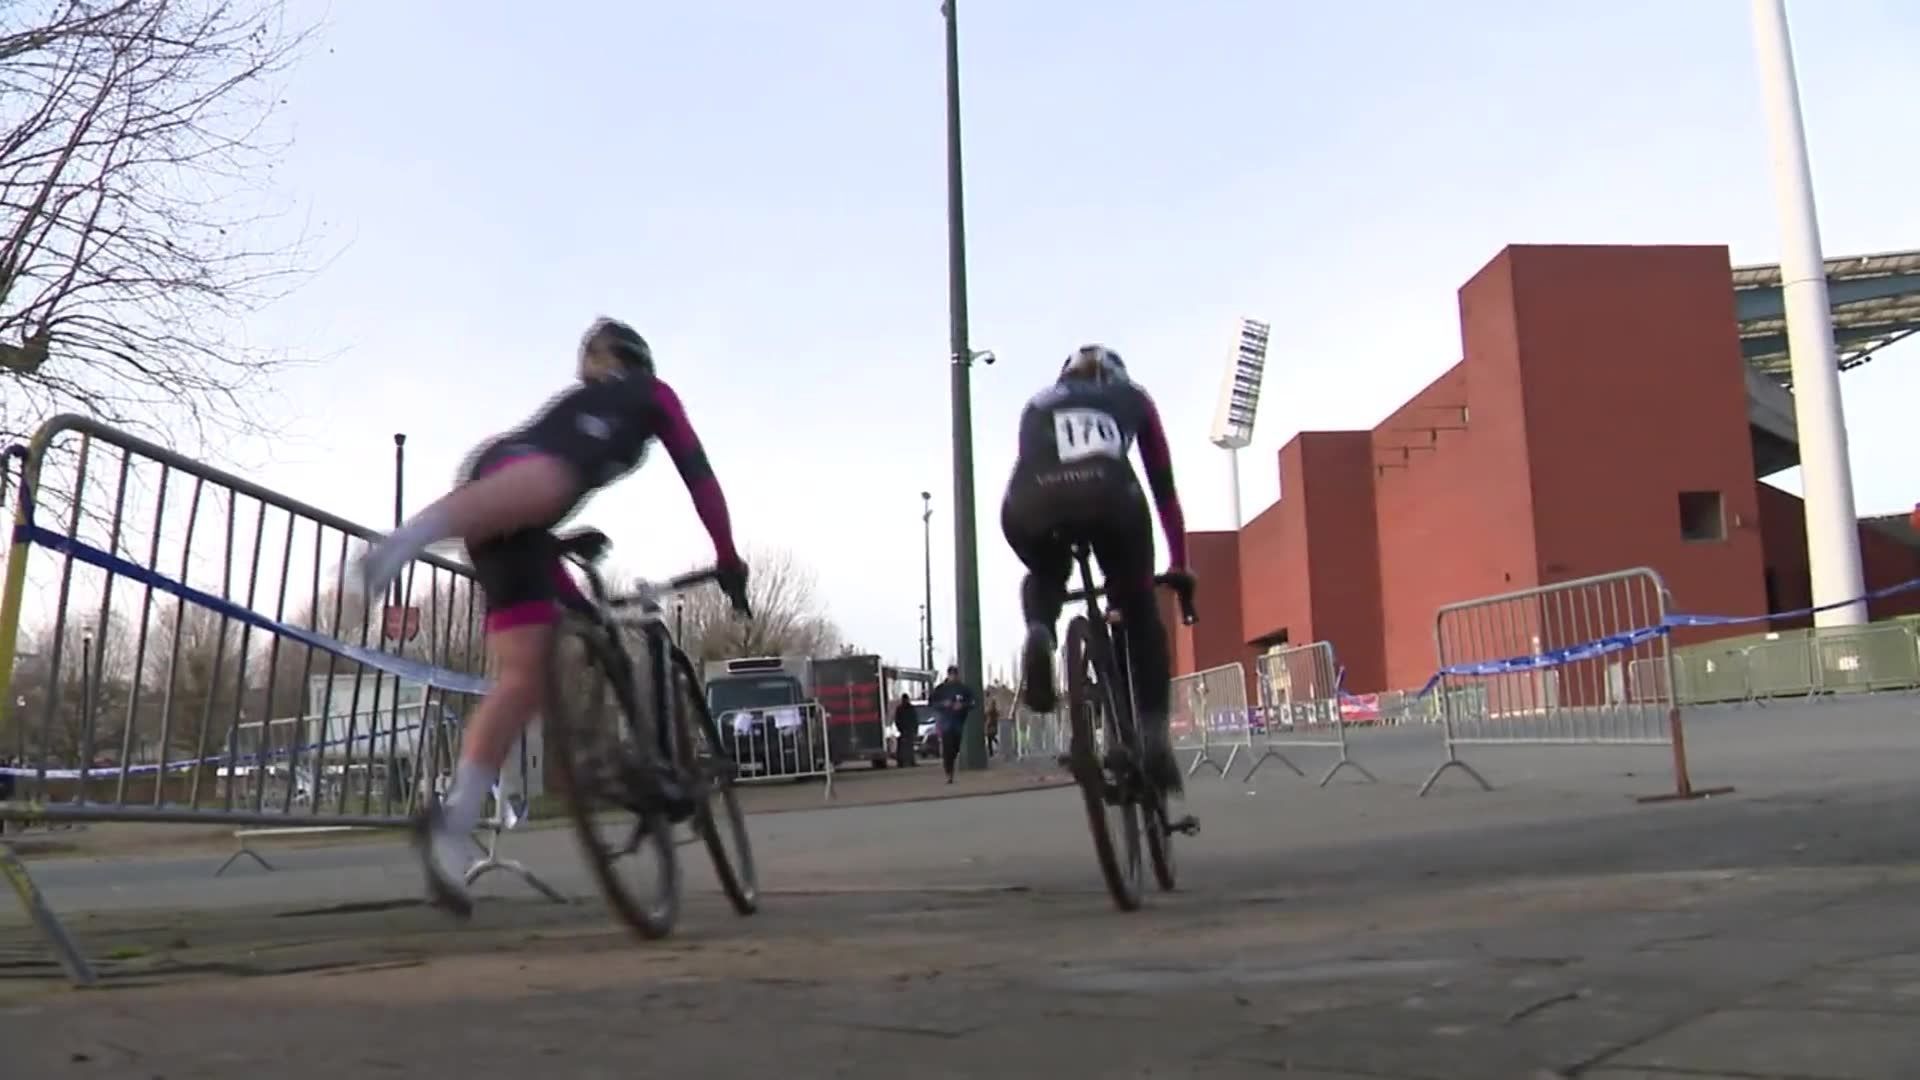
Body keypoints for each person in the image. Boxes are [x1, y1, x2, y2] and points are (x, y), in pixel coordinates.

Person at [356, 317, 750, 918]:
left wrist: (570, 600)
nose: (584, 364)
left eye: (591, 354)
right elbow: (699, 475)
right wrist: (726, 556)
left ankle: (451, 831)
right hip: (525, 480)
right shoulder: (648, 394)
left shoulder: (602, 394)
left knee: (523, 680)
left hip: (510, 512)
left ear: (610, 356)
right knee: (551, 481)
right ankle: (405, 541)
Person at [1000, 344, 1193, 798]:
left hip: (1027, 504)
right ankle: (1151, 740)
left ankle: (1040, 630)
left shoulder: (1039, 400)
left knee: (1047, 571)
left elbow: (1035, 459)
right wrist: (1180, 565)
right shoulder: (1135, 399)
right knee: (1139, 611)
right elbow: (1163, 488)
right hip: (1110, 498)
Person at [929, 665, 977, 784]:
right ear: (948, 675)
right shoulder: (941, 689)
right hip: (945, 722)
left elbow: (973, 702)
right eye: (951, 675)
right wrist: (943, 704)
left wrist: (963, 706)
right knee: (947, 748)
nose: (953, 677)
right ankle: (948, 773)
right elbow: (931, 702)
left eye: (955, 675)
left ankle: (951, 764)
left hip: (958, 723)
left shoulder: (963, 689)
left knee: (955, 747)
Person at [892, 693, 919, 767]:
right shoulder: (901, 709)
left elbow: (914, 719)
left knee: (909, 746)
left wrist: (915, 729)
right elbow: (898, 720)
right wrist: (900, 728)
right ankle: (902, 762)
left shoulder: (909, 708)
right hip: (905, 729)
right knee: (903, 747)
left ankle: (910, 761)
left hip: (908, 729)